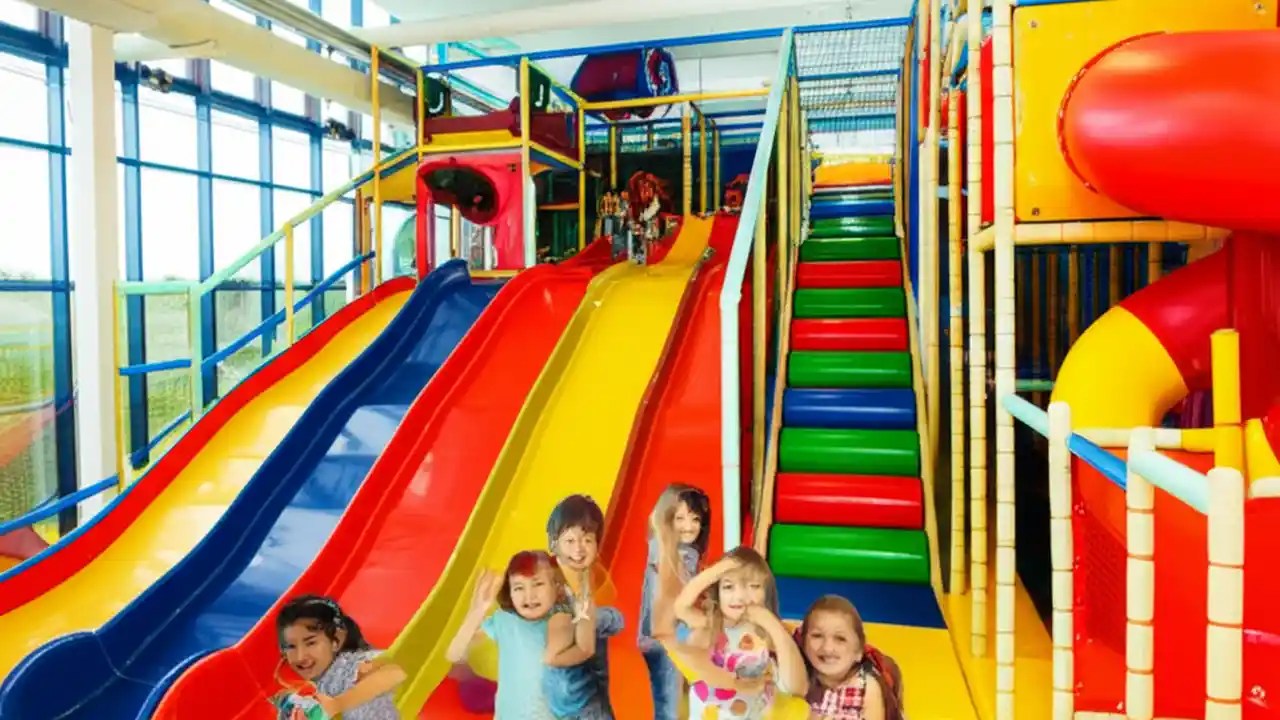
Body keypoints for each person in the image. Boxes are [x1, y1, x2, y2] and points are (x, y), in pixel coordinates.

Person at [668, 547, 808, 720]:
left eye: (754, 586)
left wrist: (771, 624)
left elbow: (797, 688)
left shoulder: (769, 632)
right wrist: (719, 570)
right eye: (728, 587)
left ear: (767, 593)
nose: (740, 596)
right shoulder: (711, 623)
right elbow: (681, 607)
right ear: (717, 593)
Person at [446, 551, 573, 720]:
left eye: (538, 584)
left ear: (556, 587)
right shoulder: (505, 620)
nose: (529, 595)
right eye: (519, 587)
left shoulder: (563, 622)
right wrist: (476, 610)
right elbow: (454, 654)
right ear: (510, 593)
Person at [544, 495, 623, 719]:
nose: (579, 549)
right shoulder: (548, 580)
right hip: (566, 688)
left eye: (587, 540)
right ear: (553, 544)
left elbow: (610, 599)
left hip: (587, 683)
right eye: (570, 541)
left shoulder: (592, 574)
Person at [639, 484, 712, 719]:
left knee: (679, 704)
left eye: (695, 519)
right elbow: (674, 595)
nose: (689, 526)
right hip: (666, 640)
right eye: (679, 518)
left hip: (667, 638)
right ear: (666, 519)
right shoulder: (667, 549)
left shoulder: (684, 551)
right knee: (670, 709)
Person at [273, 595, 405, 720]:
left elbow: (394, 672)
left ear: (336, 640)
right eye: (291, 647)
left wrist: (338, 704)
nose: (300, 656)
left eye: (311, 643)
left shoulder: (347, 665)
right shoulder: (325, 680)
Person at [796, 595, 904, 720]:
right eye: (817, 635)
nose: (827, 648)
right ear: (804, 643)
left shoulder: (866, 689)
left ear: (858, 652)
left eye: (840, 639)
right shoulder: (801, 679)